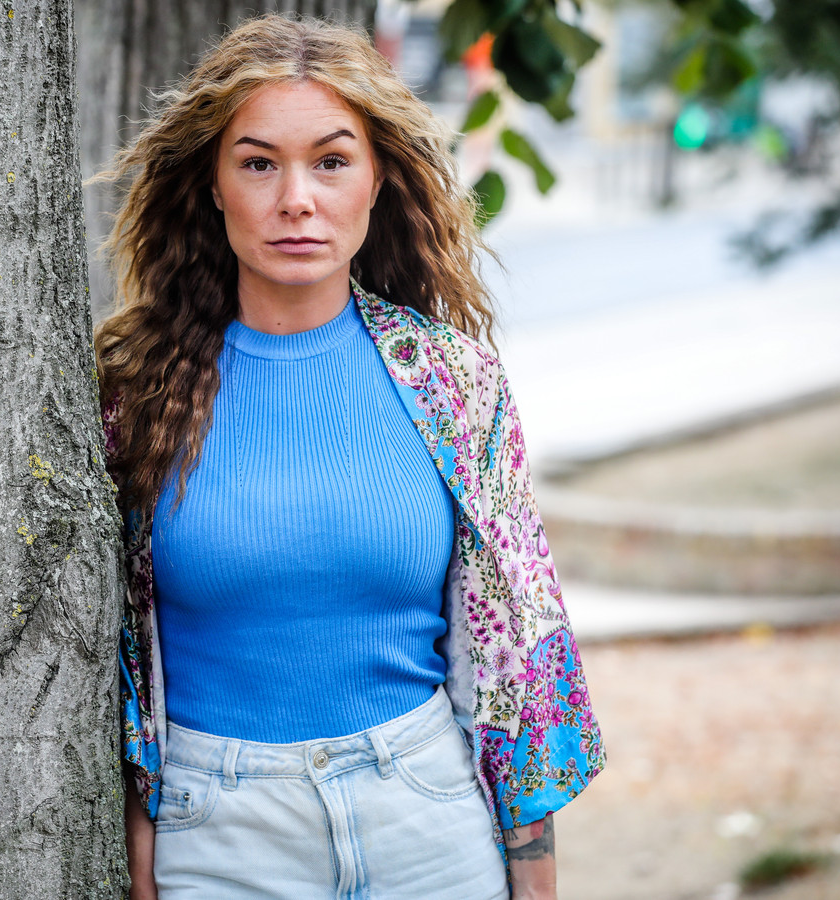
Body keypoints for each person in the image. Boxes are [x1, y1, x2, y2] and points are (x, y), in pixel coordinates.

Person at [94, 13, 605, 899]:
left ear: (377, 180)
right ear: (214, 185)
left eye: (331, 161)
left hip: (428, 815)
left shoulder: (456, 384)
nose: (297, 198)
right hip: (219, 832)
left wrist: (536, 882)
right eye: (259, 163)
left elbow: (515, 657)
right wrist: (142, 859)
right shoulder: (130, 390)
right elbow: (113, 656)